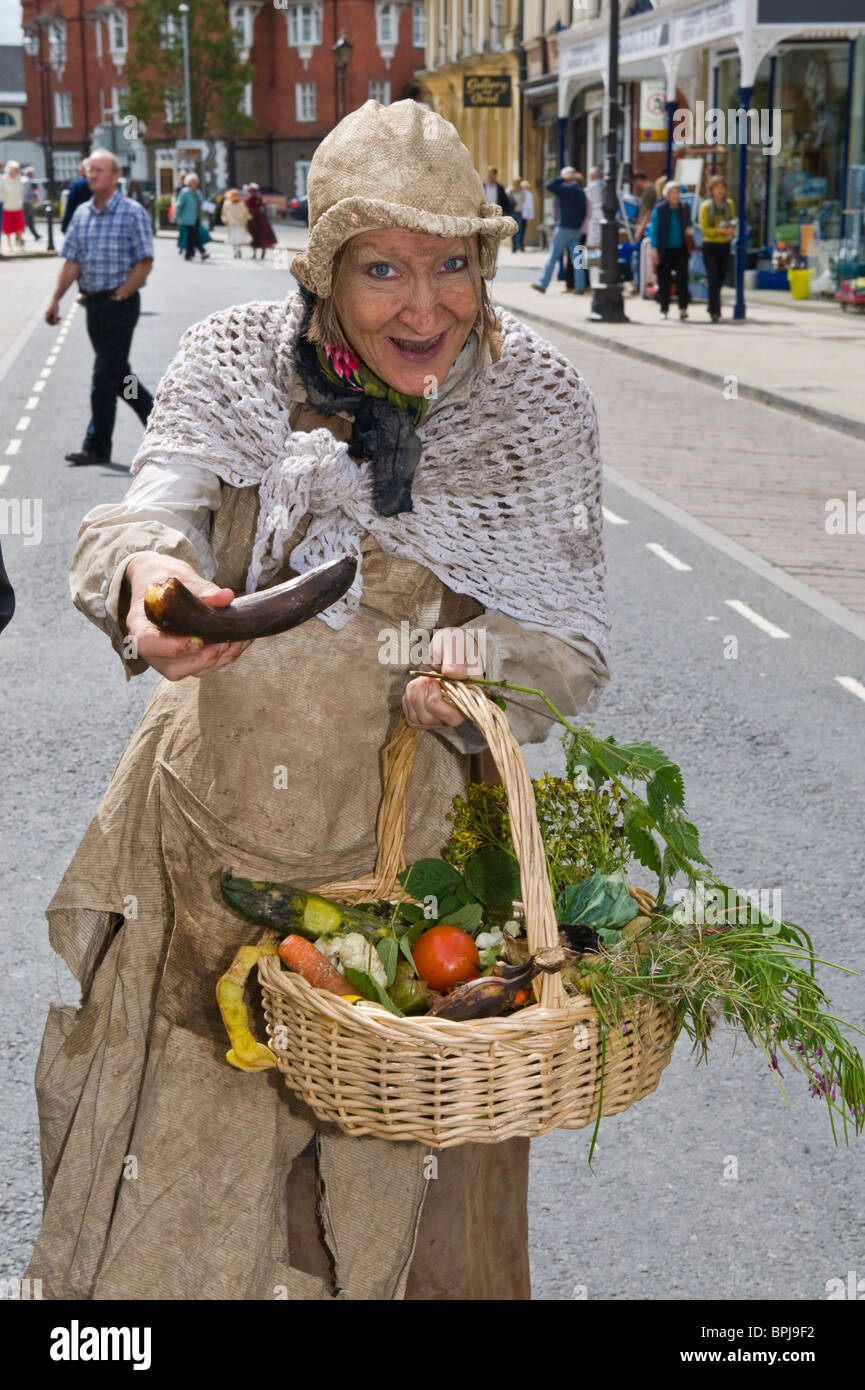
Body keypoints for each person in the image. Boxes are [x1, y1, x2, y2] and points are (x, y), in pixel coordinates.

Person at [26, 98, 610, 1303]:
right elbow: (149, 510)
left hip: (417, 896)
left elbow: (570, 644)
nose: (426, 306)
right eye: (383, 267)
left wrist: (484, 664)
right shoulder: (238, 358)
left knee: (416, 1231)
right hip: (204, 859)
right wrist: (146, 577)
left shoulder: (536, 405)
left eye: (454, 265)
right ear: (325, 268)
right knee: (178, 1227)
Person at [45, 148, 155, 465]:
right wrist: (55, 299)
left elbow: (145, 262)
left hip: (120, 306)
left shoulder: (132, 212)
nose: (92, 175)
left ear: (116, 175)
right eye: (89, 170)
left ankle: (96, 444)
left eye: (99, 170)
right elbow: (72, 263)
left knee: (103, 374)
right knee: (119, 375)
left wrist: (122, 294)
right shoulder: (81, 214)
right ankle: (157, 420)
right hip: (92, 306)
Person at [531, 166, 587, 294]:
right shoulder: (581, 192)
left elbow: (549, 185)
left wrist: (562, 177)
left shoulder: (565, 189)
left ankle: (543, 284)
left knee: (553, 257)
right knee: (578, 259)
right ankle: (580, 286)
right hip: (576, 230)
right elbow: (584, 212)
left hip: (563, 229)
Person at [648, 180, 692, 320]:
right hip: (664, 249)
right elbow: (653, 231)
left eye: (677, 192)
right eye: (672, 192)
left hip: (680, 248)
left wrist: (690, 231)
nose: (675, 195)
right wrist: (653, 249)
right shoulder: (659, 210)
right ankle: (664, 308)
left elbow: (689, 224)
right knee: (664, 279)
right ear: (666, 195)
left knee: (682, 278)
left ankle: (683, 307)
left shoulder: (684, 208)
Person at [698, 175, 736, 323]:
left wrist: (731, 230)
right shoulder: (706, 206)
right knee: (713, 278)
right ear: (711, 190)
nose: (720, 191)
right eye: (716, 188)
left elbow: (732, 220)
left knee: (720, 279)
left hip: (724, 245)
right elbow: (704, 229)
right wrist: (720, 231)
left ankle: (712, 305)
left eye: (722, 187)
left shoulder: (729, 204)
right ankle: (715, 310)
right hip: (710, 245)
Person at [175, 173, 209, 261]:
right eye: (194, 181)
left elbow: (203, 203)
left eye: (197, 181)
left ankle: (188, 254)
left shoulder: (198, 192)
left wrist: (211, 209)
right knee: (195, 235)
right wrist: (176, 215)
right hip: (187, 218)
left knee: (191, 237)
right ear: (189, 182)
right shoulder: (185, 192)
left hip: (196, 217)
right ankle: (203, 251)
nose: (196, 183)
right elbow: (179, 205)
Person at [245, 182, 276, 259]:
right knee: (260, 236)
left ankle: (256, 253)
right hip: (261, 220)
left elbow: (247, 209)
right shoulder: (258, 199)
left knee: (255, 237)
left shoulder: (250, 199)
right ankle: (260, 252)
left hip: (253, 221)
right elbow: (262, 208)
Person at [1, 161, 26, 251]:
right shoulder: (3, 179)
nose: (17, 171)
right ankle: (9, 244)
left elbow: (21, 192)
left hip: (17, 205)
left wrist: (21, 202)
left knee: (19, 225)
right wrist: (4, 200)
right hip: (7, 206)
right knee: (8, 226)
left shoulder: (19, 179)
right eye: (15, 169)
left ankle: (19, 243)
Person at [62, 161, 91, 233]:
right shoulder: (101, 184)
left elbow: (70, 206)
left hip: (79, 222)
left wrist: (65, 226)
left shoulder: (77, 185)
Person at [222, 187, 251, 258]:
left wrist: (247, 217)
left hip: (239, 223)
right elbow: (224, 213)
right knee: (233, 238)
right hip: (231, 224)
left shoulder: (241, 204)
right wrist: (224, 219)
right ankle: (236, 251)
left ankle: (238, 250)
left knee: (239, 237)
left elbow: (246, 213)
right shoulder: (227, 204)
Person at [507, 176, 525, 251]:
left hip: (514, 212)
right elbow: (524, 201)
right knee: (518, 229)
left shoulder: (509, 190)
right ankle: (516, 245)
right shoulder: (522, 191)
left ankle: (514, 246)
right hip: (517, 212)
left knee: (513, 229)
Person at [22, 167, 41, 241]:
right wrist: (34, 195)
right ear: (30, 174)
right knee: (25, 220)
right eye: (33, 173)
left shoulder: (25, 180)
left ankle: (36, 235)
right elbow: (26, 192)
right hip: (26, 203)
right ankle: (18, 237)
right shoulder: (27, 181)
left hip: (26, 202)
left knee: (30, 219)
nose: (34, 175)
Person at [520, 179, 535, 244]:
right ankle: (521, 244)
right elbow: (530, 206)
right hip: (525, 214)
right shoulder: (530, 194)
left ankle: (518, 244)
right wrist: (530, 216)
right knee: (522, 230)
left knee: (518, 229)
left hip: (520, 213)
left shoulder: (519, 193)